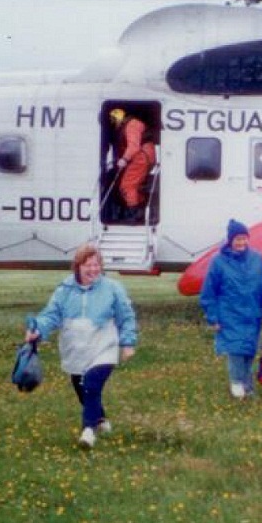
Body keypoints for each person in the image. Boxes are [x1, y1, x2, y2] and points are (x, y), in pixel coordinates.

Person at [25, 242, 138, 448]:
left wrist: (127, 342)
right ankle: (100, 419)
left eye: (97, 265)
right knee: (82, 390)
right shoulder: (64, 289)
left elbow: (126, 317)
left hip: (104, 345)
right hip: (75, 347)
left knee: (92, 384)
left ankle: (88, 431)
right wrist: (37, 331)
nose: (93, 269)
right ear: (77, 266)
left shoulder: (113, 288)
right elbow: (51, 315)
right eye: (88, 265)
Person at [200, 219, 262, 399]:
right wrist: (212, 317)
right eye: (238, 239)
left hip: (252, 316)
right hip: (229, 316)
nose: (241, 242)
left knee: (249, 352)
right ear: (230, 240)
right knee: (236, 351)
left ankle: (247, 387)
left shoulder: (257, 259)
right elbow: (208, 293)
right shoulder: (218, 262)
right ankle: (238, 385)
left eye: (244, 238)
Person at [109, 108, 156, 222]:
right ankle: (141, 211)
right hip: (143, 157)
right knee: (134, 187)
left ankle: (135, 214)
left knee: (127, 186)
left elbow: (134, 146)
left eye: (113, 119)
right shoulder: (131, 124)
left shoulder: (131, 125)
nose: (113, 122)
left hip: (141, 158)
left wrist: (124, 159)